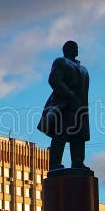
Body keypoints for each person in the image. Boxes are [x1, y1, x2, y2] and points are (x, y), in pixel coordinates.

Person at [37, 41, 90, 170]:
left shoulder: (83, 69)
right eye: (72, 47)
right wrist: (69, 94)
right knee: (60, 134)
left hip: (80, 107)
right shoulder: (61, 62)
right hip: (63, 104)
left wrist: (81, 104)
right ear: (65, 50)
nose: (76, 49)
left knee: (79, 136)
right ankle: (55, 164)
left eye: (77, 47)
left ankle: (78, 162)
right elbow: (54, 80)